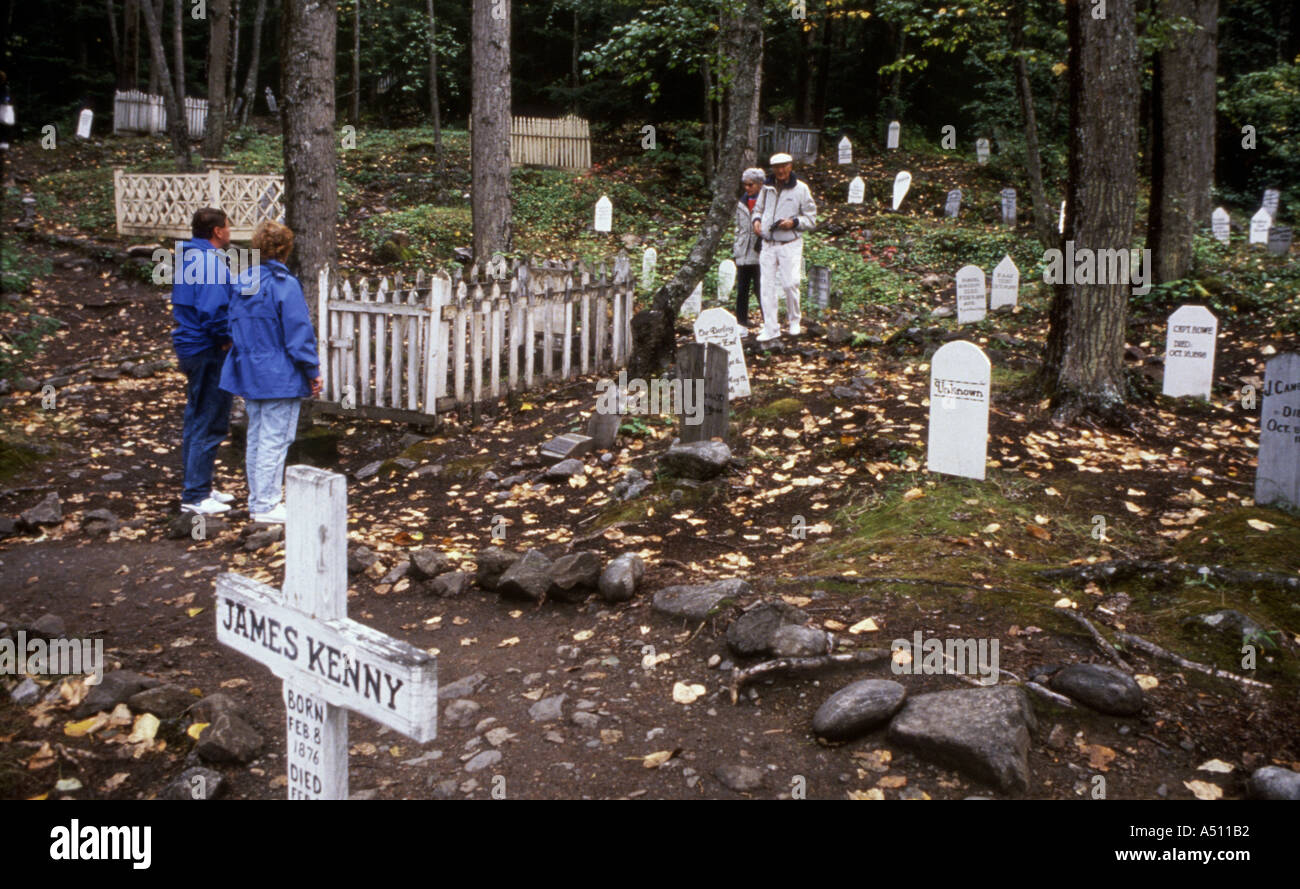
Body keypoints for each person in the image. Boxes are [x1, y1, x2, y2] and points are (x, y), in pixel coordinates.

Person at [220, 221, 322, 524]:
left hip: (250, 369)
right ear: (285, 249)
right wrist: (312, 369)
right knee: (275, 439)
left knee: (258, 436)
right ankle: (266, 504)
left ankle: (258, 500)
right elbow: (298, 333)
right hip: (279, 372)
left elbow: (232, 325)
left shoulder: (244, 281)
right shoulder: (284, 284)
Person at [173, 208, 237, 515]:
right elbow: (213, 309)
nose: (230, 231)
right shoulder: (209, 262)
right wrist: (226, 335)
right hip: (207, 347)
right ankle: (196, 495)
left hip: (191, 345)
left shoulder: (188, 256)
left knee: (197, 415)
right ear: (217, 231)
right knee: (209, 418)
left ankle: (200, 485)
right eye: (227, 226)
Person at [751, 152, 817, 343]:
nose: (780, 170)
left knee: (790, 284)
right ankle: (771, 328)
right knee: (766, 286)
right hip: (768, 243)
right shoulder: (766, 188)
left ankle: (794, 320)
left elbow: (811, 218)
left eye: (784, 166)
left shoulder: (801, 189)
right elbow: (758, 209)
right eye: (777, 167)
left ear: (790, 166)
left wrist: (794, 222)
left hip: (790, 243)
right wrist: (756, 220)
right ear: (772, 169)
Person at [733, 167, 766, 336]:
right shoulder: (741, 202)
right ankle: (741, 322)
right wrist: (736, 246)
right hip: (743, 252)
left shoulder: (767, 201)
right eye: (745, 184)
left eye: (750, 184)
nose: (747, 188)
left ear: (760, 184)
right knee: (742, 289)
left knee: (761, 289)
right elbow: (738, 227)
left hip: (759, 252)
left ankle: (769, 322)